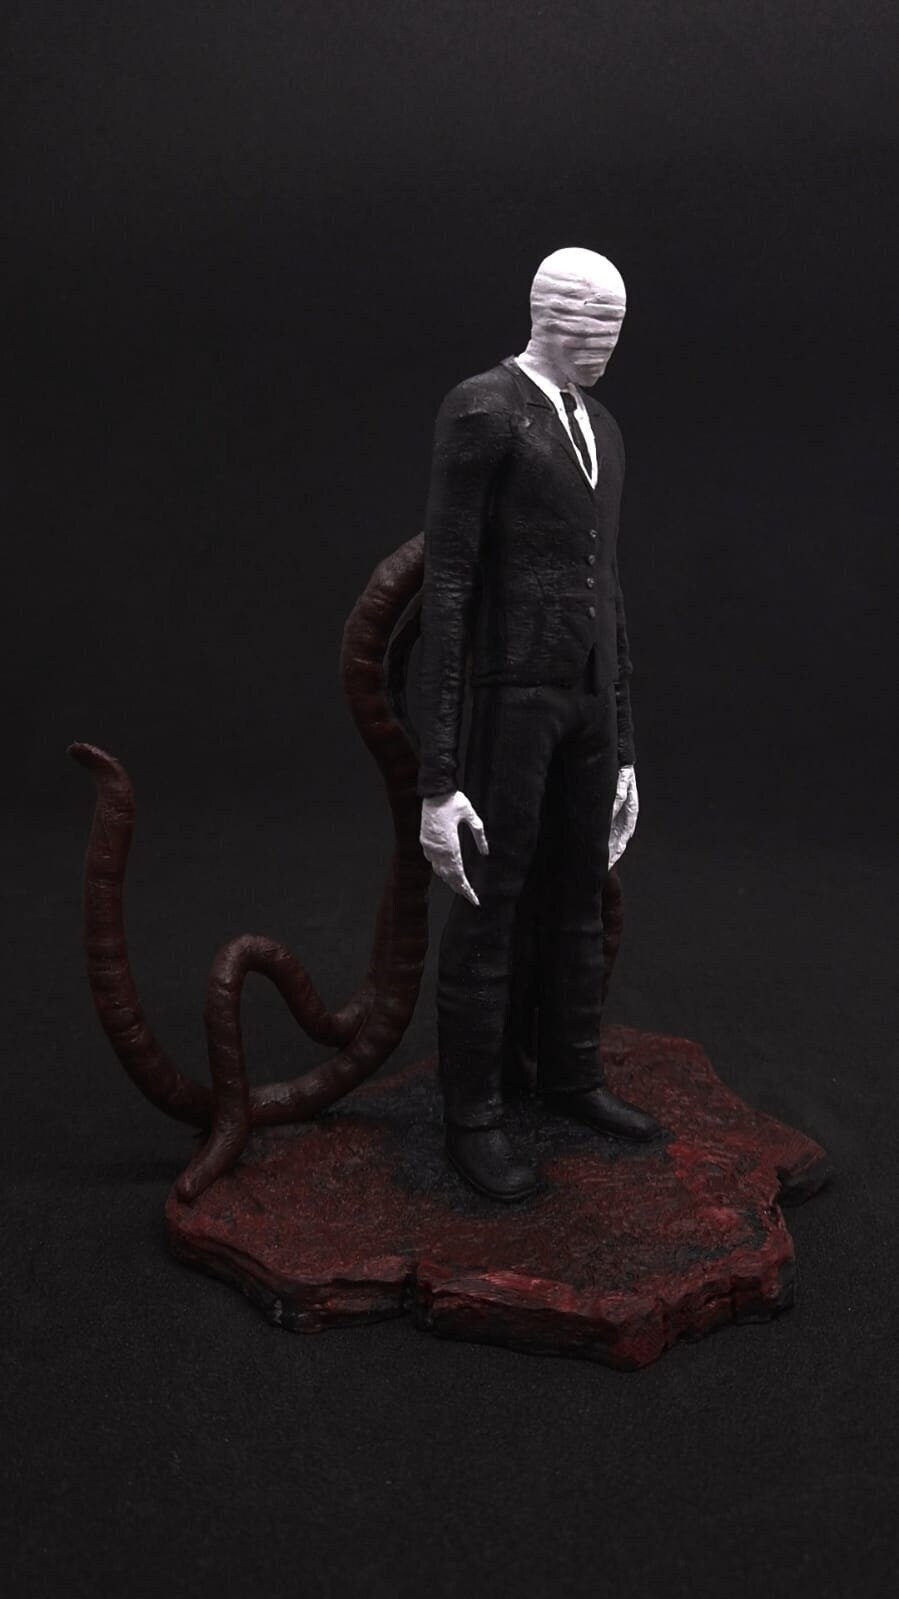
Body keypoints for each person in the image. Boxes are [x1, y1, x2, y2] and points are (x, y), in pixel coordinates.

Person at [417, 247, 662, 1201]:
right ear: (543, 312)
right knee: (489, 903)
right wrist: (439, 779)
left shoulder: (602, 426)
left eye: (615, 324)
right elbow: (448, 587)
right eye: (589, 320)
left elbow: (609, 586)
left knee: (578, 899)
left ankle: (570, 1075)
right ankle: (473, 1115)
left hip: (588, 699)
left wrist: (625, 744)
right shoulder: (483, 409)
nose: (604, 341)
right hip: (512, 696)